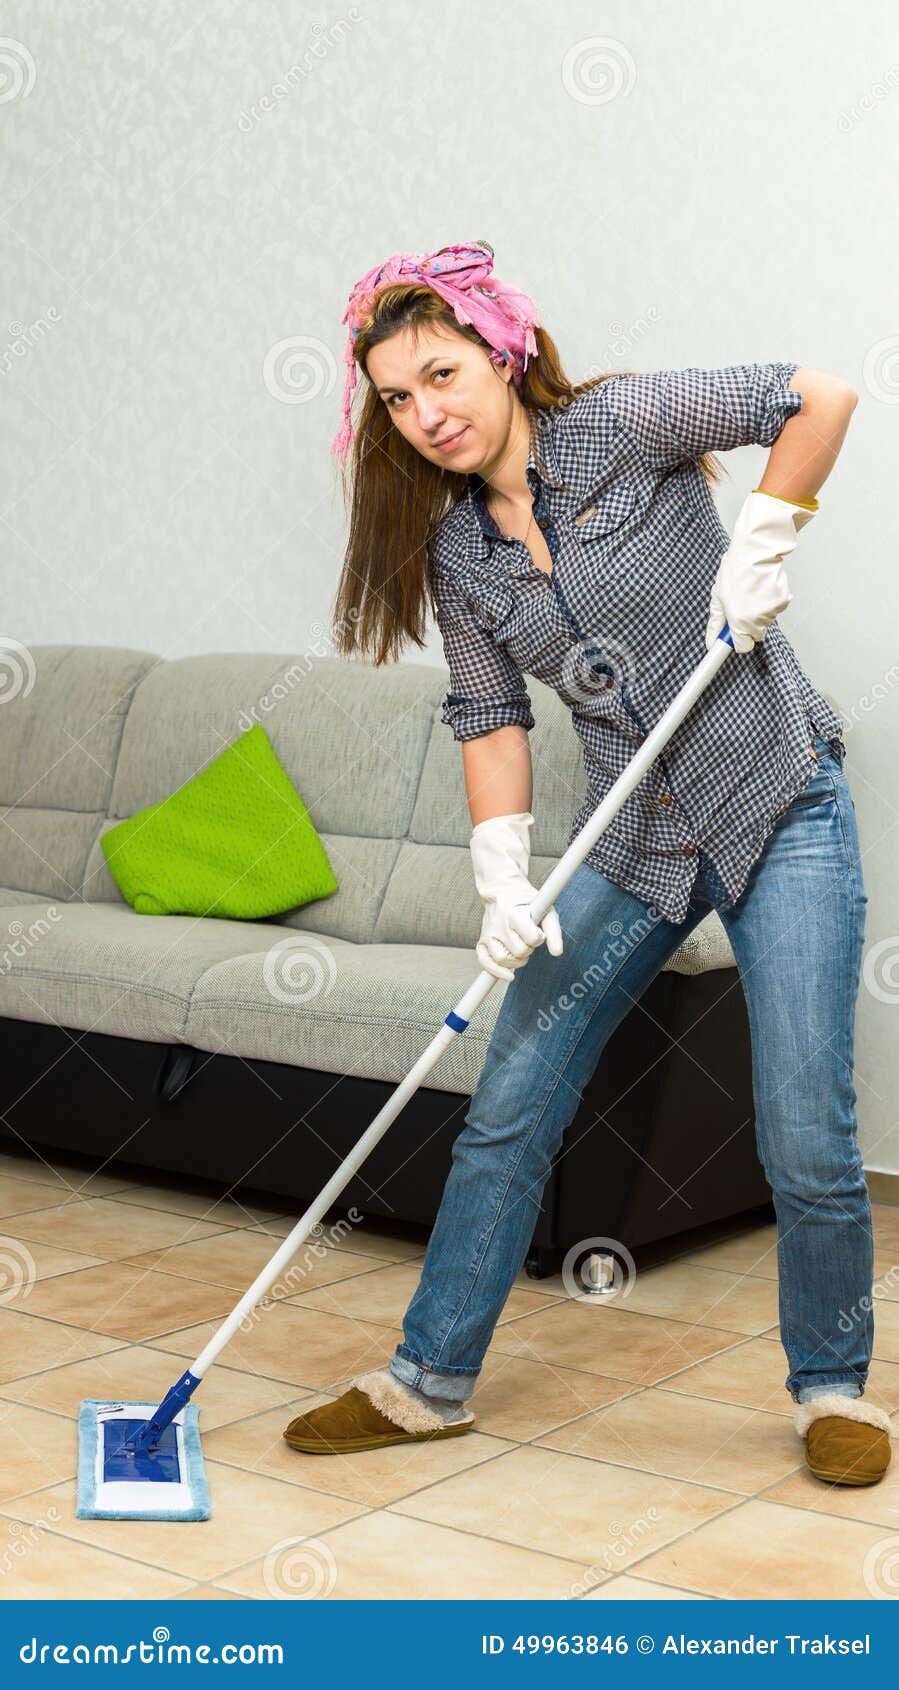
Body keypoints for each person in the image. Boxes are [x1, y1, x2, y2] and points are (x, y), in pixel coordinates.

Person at [282, 242, 891, 1487]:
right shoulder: (461, 553)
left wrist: (764, 536)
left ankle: (830, 1386)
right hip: (632, 838)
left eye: (442, 375)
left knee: (803, 1131)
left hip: (778, 799)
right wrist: (500, 871)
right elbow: (487, 716)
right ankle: (427, 1381)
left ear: (503, 352)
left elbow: (816, 396)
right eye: (397, 399)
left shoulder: (619, 421)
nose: (427, 415)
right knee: (509, 1101)